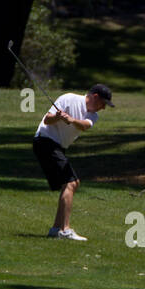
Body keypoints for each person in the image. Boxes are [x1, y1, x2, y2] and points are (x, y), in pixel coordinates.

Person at [32, 82, 114, 240]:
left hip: (57, 146)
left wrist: (70, 119)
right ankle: (65, 230)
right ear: (95, 97)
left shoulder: (93, 115)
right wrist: (57, 117)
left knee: (69, 184)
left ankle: (56, 229)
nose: (103, 108)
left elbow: (84, 126)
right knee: (72, 182)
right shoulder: (68, 98)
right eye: (103, 104)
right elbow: (47, 120)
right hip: (45, 142)